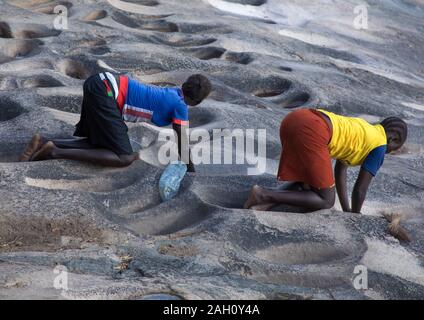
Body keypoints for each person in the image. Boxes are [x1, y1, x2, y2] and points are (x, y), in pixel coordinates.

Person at [19, 72, 212, 171]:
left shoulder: (172, 92)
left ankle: (43, 142)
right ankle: (54, 152)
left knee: (100, 143)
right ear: (197, 101)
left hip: (101, 82)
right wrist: (191, 172)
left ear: (184, 85)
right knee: (124, 157)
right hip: (106, 92)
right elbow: (183, 143)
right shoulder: (180, 106)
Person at [244, 108, 408, 214]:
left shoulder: (364, 130)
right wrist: (357, 216)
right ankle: (264, 194)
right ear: (393, 139)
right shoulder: (380, 145)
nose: (390, 151)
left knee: (307, 184)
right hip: (313, 130)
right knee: (327, 200)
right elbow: (360, 189)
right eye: (395, 148)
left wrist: (347, 210)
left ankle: (266, 202)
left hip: (297, 118)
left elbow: (340, 170)